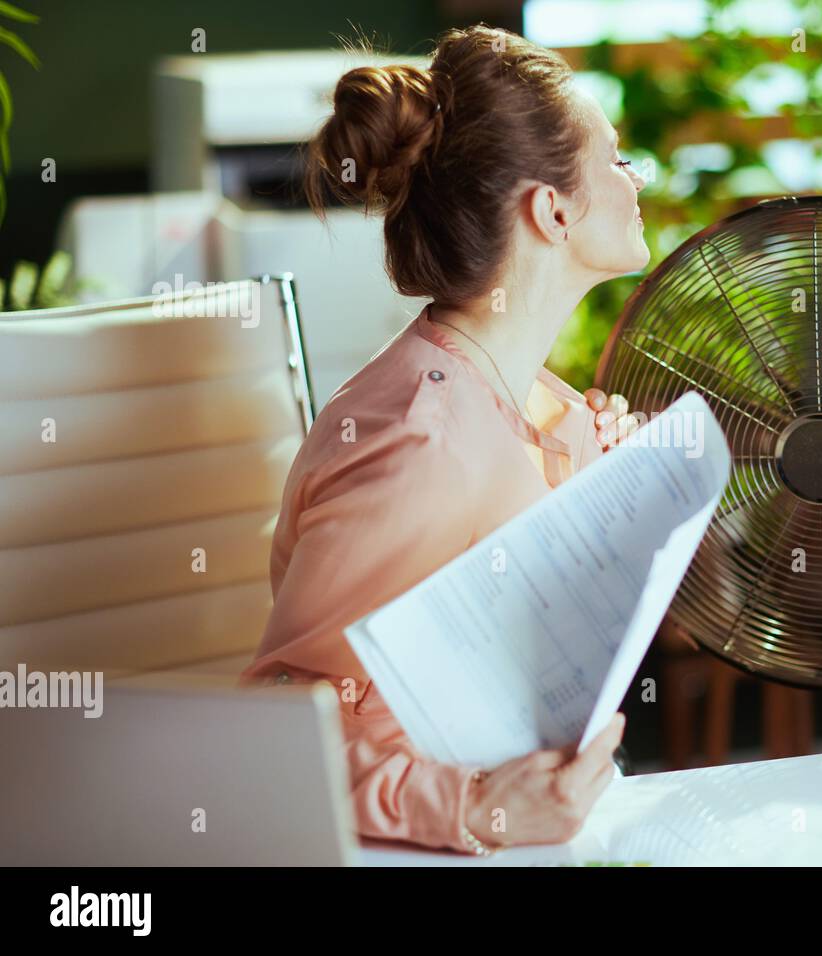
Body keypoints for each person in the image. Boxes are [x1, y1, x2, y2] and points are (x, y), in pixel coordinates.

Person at [240, 23, 650, 856]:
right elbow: (282, 718)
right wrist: (472, 807)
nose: (636, 179)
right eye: (615, 158)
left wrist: (608, 497)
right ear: (553, 210)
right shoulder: (420, 443)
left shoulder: (529, 400)